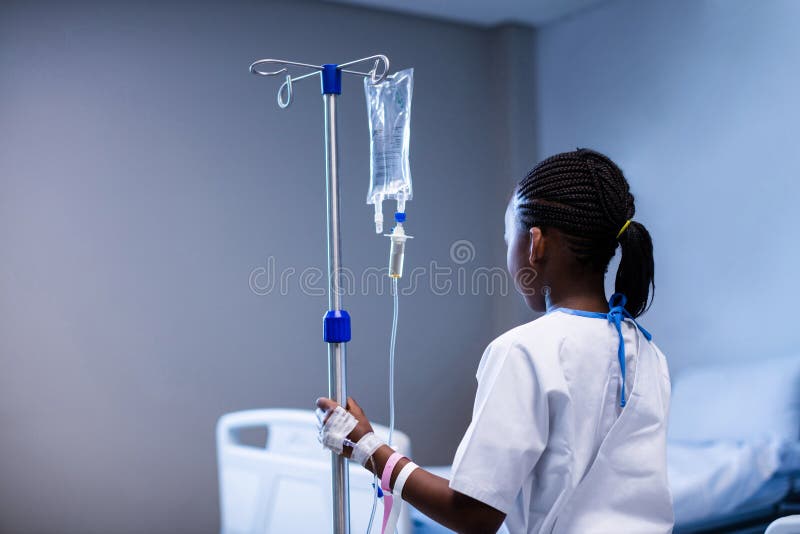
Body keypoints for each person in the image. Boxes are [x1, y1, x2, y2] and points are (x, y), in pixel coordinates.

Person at [317, 149, 674, 533]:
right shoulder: (650, 354)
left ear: (535, 244)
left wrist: (368, 447)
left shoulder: (525, 351)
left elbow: (474, 514)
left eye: (509, 240)